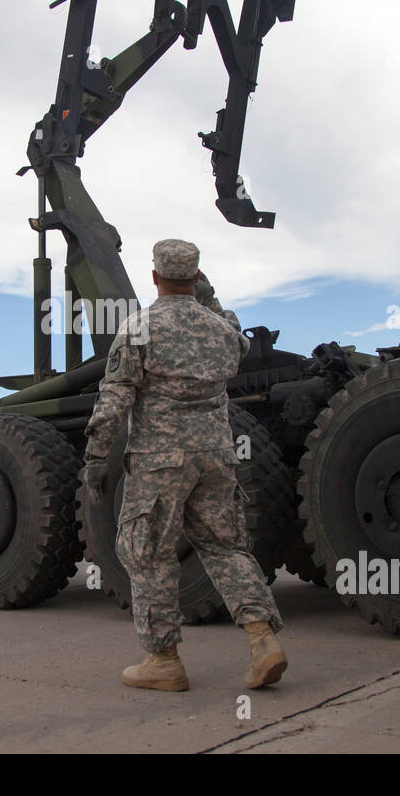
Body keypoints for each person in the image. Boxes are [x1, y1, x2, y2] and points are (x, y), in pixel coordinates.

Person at [82, 238, 286, 692]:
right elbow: (238, 337)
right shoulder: (222, 330)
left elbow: (115, 397)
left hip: (160, 461)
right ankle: (262, 639)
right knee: (226, 547)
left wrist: (96, 457)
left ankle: (163, 661)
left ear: (154, 277)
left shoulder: (139, 327)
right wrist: (208, 297)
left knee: (148, 553)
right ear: (196, 277)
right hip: (216, 454)